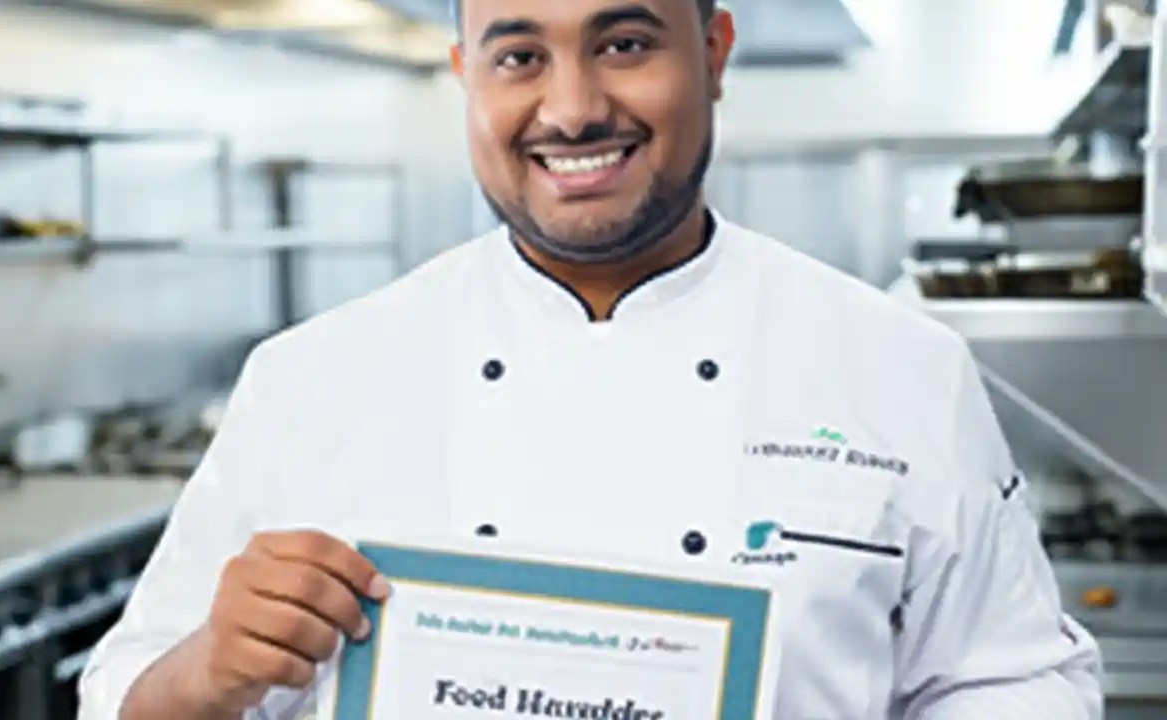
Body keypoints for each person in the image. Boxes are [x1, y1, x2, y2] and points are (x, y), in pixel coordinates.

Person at [79, 1, 1104, 718]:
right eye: (517, 56)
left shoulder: (899, 367)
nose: (570, 108)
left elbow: (1009, 677)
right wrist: (203, 673)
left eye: (621, 42)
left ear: (713, 52)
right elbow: (123, 691)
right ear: (464, 78)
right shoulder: (309, 376)